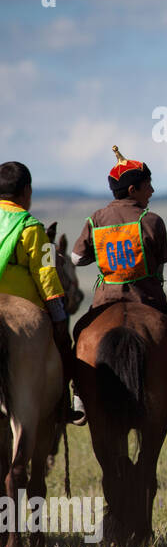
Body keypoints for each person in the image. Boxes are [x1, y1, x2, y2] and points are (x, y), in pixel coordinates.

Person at [69, 148, 167, 431]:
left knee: (79, 332)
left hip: (105, 302)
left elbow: (77, 259)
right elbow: (161, 261)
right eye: (148, 185)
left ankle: (79, 394)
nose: (152, 191)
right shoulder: (151, 220)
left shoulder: (96, 219)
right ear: (133, 189)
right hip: (148, 301)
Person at [0, 161, 75, 416]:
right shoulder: (33, 228)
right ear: (27, 192)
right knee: (64, 347)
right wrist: (59, 317)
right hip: (25, 307)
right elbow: (46, 273)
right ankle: (63, 406)